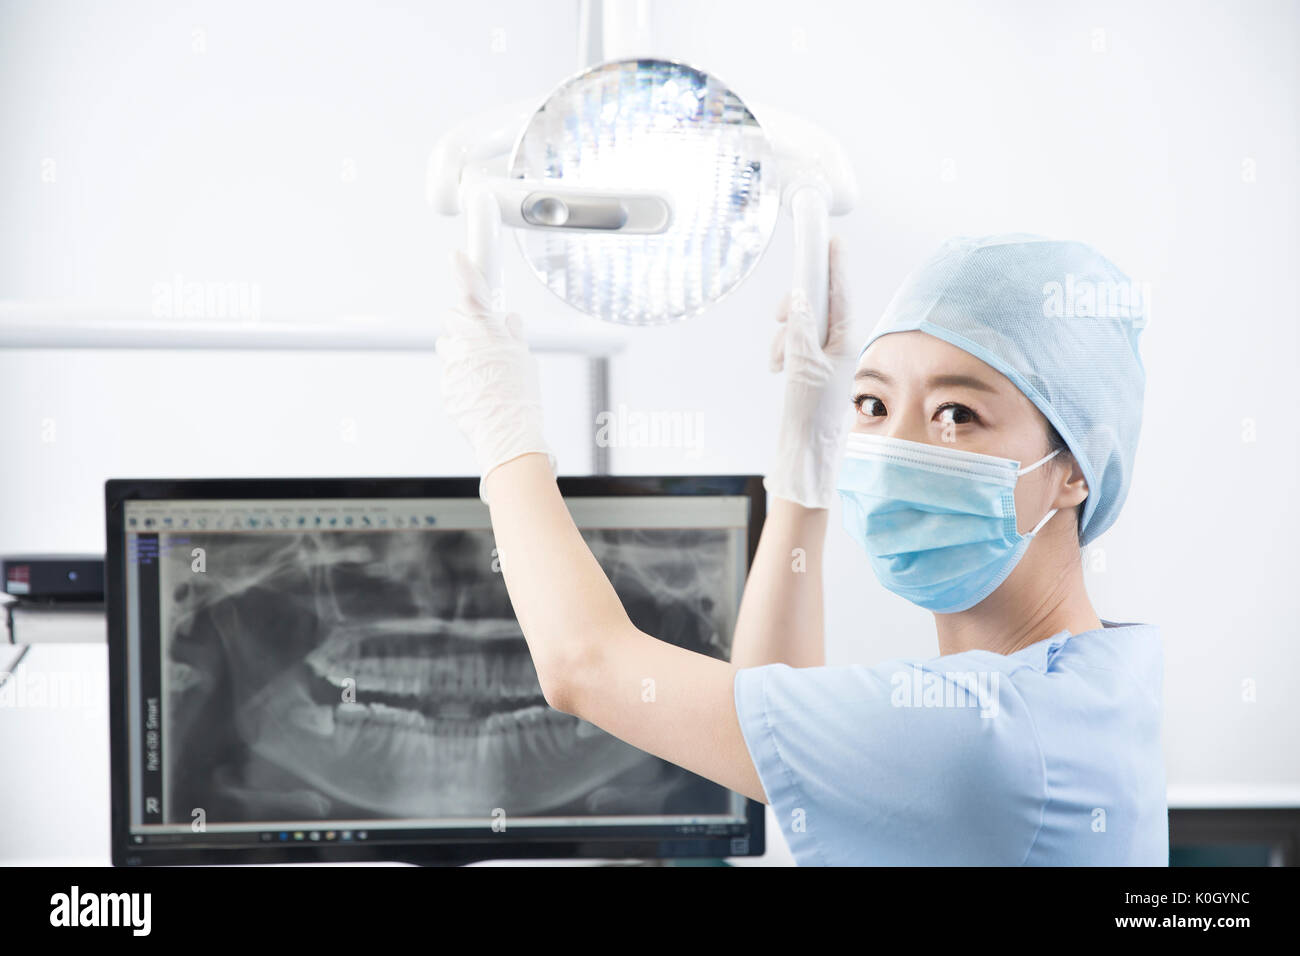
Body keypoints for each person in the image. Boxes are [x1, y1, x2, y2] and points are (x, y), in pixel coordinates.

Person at [435, 232, 1165, 866]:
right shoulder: (1095, 685)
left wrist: (507, 437)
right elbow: (770, 732)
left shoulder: (984, 740)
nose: (896, 450)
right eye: (873, 405)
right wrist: (803, 469)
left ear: (1073, 470)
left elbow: (582, 665)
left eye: (956, 413)